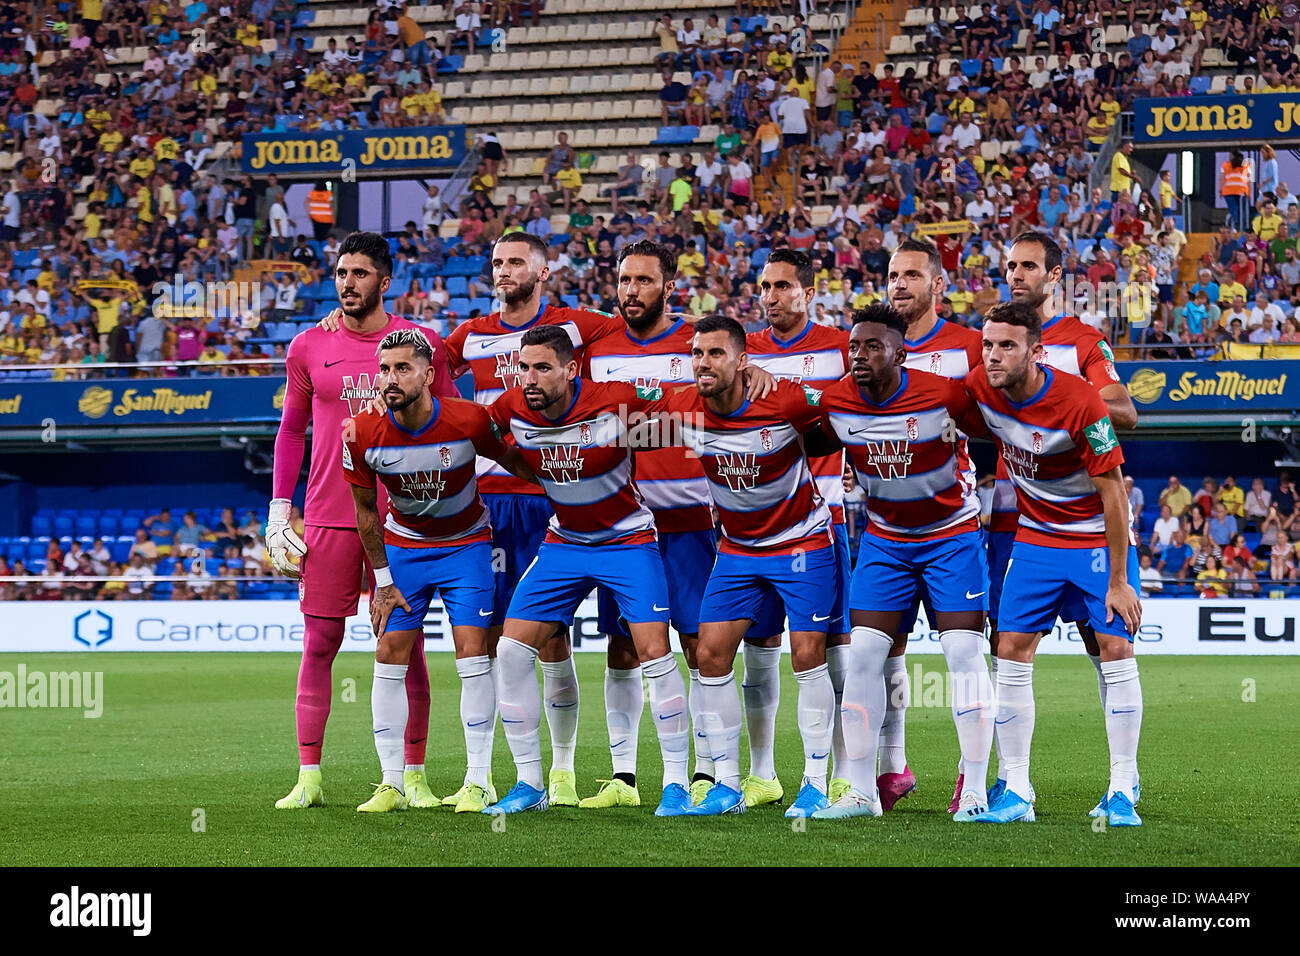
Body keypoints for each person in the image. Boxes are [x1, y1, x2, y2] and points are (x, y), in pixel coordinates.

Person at [269, 231, 458, 812]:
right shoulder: (306, 346)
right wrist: (280, 509)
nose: (347, 282)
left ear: (385, 280)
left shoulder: (422, 343)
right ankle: (309, 776)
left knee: (407, 646)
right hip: (327, 517)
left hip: (403, 520)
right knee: (320, 642)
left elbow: (449, 422)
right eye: (341, 272)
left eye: (359, 273)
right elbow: (291, 431)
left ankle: (415, 777)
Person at [438, 233, 628, 808]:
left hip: (560, 494)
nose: (503, 271)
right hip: (491, 503)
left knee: (553, 640)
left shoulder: (578, 327)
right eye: (495, 262)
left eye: (515, 262)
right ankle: (487, 775)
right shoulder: (468, 337)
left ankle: (564, 771)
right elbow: (422, 373)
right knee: (494, 639)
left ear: (544, 272)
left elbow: (650, 340)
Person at [579, 240, 763, 810]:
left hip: (690, 521)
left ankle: (708, 772)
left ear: (669, 284)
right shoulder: (597, 345)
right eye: (624, 280)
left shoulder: (696, 343)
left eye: (643, 281)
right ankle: (623, 776)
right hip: (624, 524)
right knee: (623, 646)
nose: (631, 291)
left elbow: (740, 376)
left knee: (697, 644)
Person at [484, 324, 693, 815]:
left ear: (571, 369)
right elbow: (473, 430)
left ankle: (678, 785)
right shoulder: (511, 407)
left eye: (542, 367)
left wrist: (748, 379)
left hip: (627, 540)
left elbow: (686, 404)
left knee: (655, 654)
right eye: (524, 367)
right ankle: (530, 785)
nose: (529, 378)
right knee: (512, 653)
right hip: (565, 544)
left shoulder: (616, 398)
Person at [650, 315, 840, 819]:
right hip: (737, 549)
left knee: (806, 655)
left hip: (802, 542)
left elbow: (842, 409)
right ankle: (728, 785)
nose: (703, 363)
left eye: (715, 354)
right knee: (710, 657)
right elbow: (626, 403)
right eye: (697, 353)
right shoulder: (682, 405)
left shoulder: (784, 400)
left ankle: (816, 783)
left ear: (742, 360)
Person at [343, 328, 535, 813]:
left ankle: (478, 781)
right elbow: (366, 513)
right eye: (384, 369)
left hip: (467, 546)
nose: (390, 378)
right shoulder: (361, 432)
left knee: (473, 652)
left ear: (429, 375)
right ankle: (391, 783)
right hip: (404, 549)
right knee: (389, 652)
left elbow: (512, 458)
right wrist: (382, 583)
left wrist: (568, 485)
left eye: (403, 368)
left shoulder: (468, 420)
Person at [965, 301, 1143, 827]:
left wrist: (1117, 581)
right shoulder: (979, 385)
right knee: (1011, 649)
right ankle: (1016, 789)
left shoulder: (1081, 402)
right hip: (1036, 539)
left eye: (1007, 346)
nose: (994, 355)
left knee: (1114, 647)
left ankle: (1122, 788)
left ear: (1037, 352)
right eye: (988, 344)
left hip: (1094, 539)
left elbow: (1114, 494)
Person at [814, 303, 994, 820]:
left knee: (962, 657)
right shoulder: (837, 400)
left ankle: (976, 790)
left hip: (951, 536)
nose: (860, 355)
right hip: (885, 541)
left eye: (873, 346)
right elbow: (807, 436)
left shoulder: (943, 394)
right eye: (854, 347)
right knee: (864, 658)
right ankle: (860, 792)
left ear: (902, 351)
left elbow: (995, 428)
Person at [738, 248, 852, 811]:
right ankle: (762, 774)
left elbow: (853, 412)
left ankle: (837, 772)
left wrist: (795, 395)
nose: (771, 296)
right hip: (755, 525)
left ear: (809, 291)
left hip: (824, 520)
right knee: (759, 647)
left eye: (783, 286)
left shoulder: (839, 348)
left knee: (830, 650)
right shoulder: (745, 351)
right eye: (764, 286)